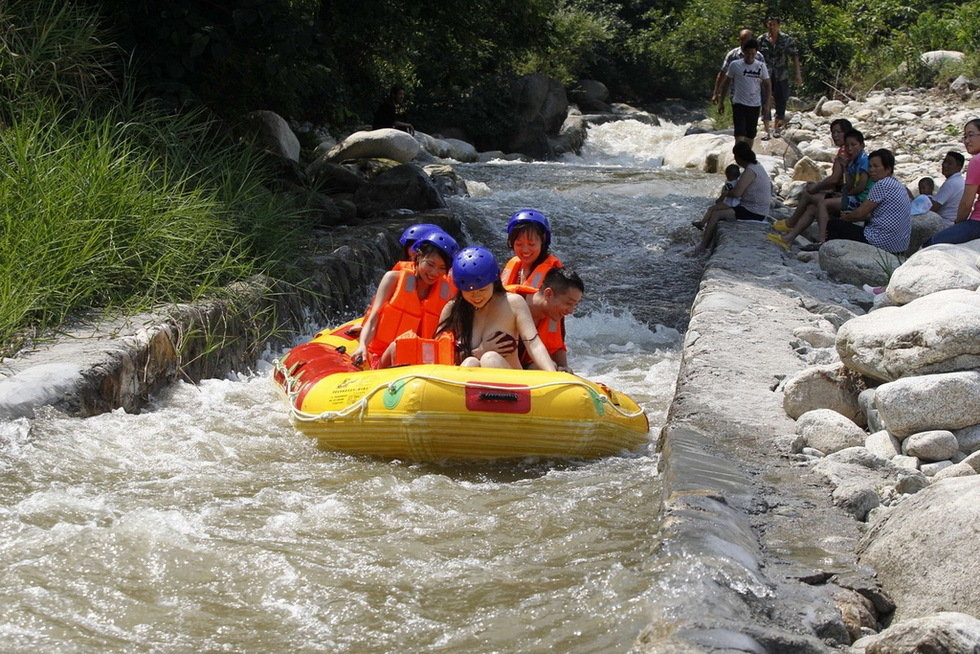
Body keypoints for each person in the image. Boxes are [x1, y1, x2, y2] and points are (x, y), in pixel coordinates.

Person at [437, 247, 556, 371]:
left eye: (482, 290)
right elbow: (440, 355)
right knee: (470, 362)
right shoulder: (452, 310)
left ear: (494, 282)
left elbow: (534, 344)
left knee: (490, 359)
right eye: (469, 292)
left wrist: (552, 374)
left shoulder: (513, 303)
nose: (476, 296)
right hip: (469, 378)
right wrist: (480, 351)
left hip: (510, 378)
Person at [351, 230, 458, 368]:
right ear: (418, 257)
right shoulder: (392, 279)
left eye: (442, 268)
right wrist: (362, 345)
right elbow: (373, 319)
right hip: (382, 357)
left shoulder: (447, 292)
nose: (434, 273)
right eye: (430, 264)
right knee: (398, 345)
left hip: (421, 361)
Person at [769, 128, 870, 251]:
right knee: (812, 208)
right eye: (848, 145)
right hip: (850, 196)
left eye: (853, 145)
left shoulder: (863, 160)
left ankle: (822, 241)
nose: (850, 148)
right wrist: (845, 169)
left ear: (862, 145)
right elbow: (848, 184)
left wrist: (843, 193)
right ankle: (788, 239)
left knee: (822, 202)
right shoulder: (852, 161)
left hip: (860, 201)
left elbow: (860, 186)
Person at [772, 118, 852, 234]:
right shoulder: (848, 149)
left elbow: (834, 179)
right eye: (833, 132)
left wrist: (817, 187)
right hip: (843, 192)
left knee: (808, 193)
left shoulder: (844, 152)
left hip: (847, 197)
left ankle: (791, 223)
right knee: (811, 208)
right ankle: (789, 236)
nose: (835, 135)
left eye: (839, 132)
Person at [692, 141, 772, 256]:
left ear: (739, 157)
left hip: (754, 212)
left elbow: (737, 193)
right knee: (716, 209)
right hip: (754, 208)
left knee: (716, 214)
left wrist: (725, 193)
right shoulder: (756, 166)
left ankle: (702, 247)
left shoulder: (750, 171)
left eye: (735, 156)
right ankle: (705, 243)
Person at [825, 149, 911, 254]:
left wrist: (846, 218)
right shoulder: (898, 185)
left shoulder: (882, 184)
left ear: (888, 169)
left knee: (834, 224)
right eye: (870, 166)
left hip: (882, 242)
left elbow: (860, 213)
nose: (871, 170)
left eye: (876, 166)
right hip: (899, 245)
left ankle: (831, 254)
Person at [513, 267, 584, 373]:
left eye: (575, 305)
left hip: (526, 368)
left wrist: (564, 368)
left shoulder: (556, 314)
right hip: (499, 366)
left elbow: (557, 348)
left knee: (553, 366)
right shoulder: (509, 304)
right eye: (569, 303)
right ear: (548, 294)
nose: (571, 311)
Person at [922, 120, 980, 247]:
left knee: (930, 244)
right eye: (965, 136)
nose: (967, 141)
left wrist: (958, 224)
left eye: (971, 135)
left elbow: (966, 204)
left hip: (977, 223)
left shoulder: (976, 161)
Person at [716, 39, 772, 144]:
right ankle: (739, 153)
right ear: (744, 52)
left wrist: (767, 104)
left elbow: (768, 85)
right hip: (739, 103)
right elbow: (726, 83)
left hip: (755, 104)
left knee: (750, 134)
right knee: (739, 132)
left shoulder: (761, 66)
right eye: (748, 53)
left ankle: (747, 153)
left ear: (756, 53)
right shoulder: (735, 65)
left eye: (753, 54)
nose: (750, 56)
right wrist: (721, 102)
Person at [757, 16, 803, 139]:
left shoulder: (786, 39)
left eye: (774, 24)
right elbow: (755, 56)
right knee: (765, 100)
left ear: (778, 25)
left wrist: (798, 73)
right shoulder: (761, 39)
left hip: (781, 74)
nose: (771, 27)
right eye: (769, 24)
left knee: (781, 100)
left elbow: (794, 55)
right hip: (765, 75)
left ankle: (776, 128)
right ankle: (766, 130)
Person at [500, 209, 563, 291]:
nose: (525, 250)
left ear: (542, 242)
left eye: (531, 244)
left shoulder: (554, 274)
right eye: (519, 244)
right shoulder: (515, 265)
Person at [711, 29, 765, 106]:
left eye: (748, 39)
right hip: (736, 96)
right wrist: (716, 93)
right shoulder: (732, 55)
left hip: (754, 97)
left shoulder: (758, 56)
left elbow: (764, 78)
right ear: (739, 40)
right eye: (743, 39)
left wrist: (767, 98)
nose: (745, 42)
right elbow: (723, 74)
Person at [930, 151, 966, 227]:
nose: (944, 165)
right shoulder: (960, 180)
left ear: (959, 167)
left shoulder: (951, 183)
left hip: (944, 223)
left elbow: (934, 208)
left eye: (949, 163)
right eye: (944, 161)